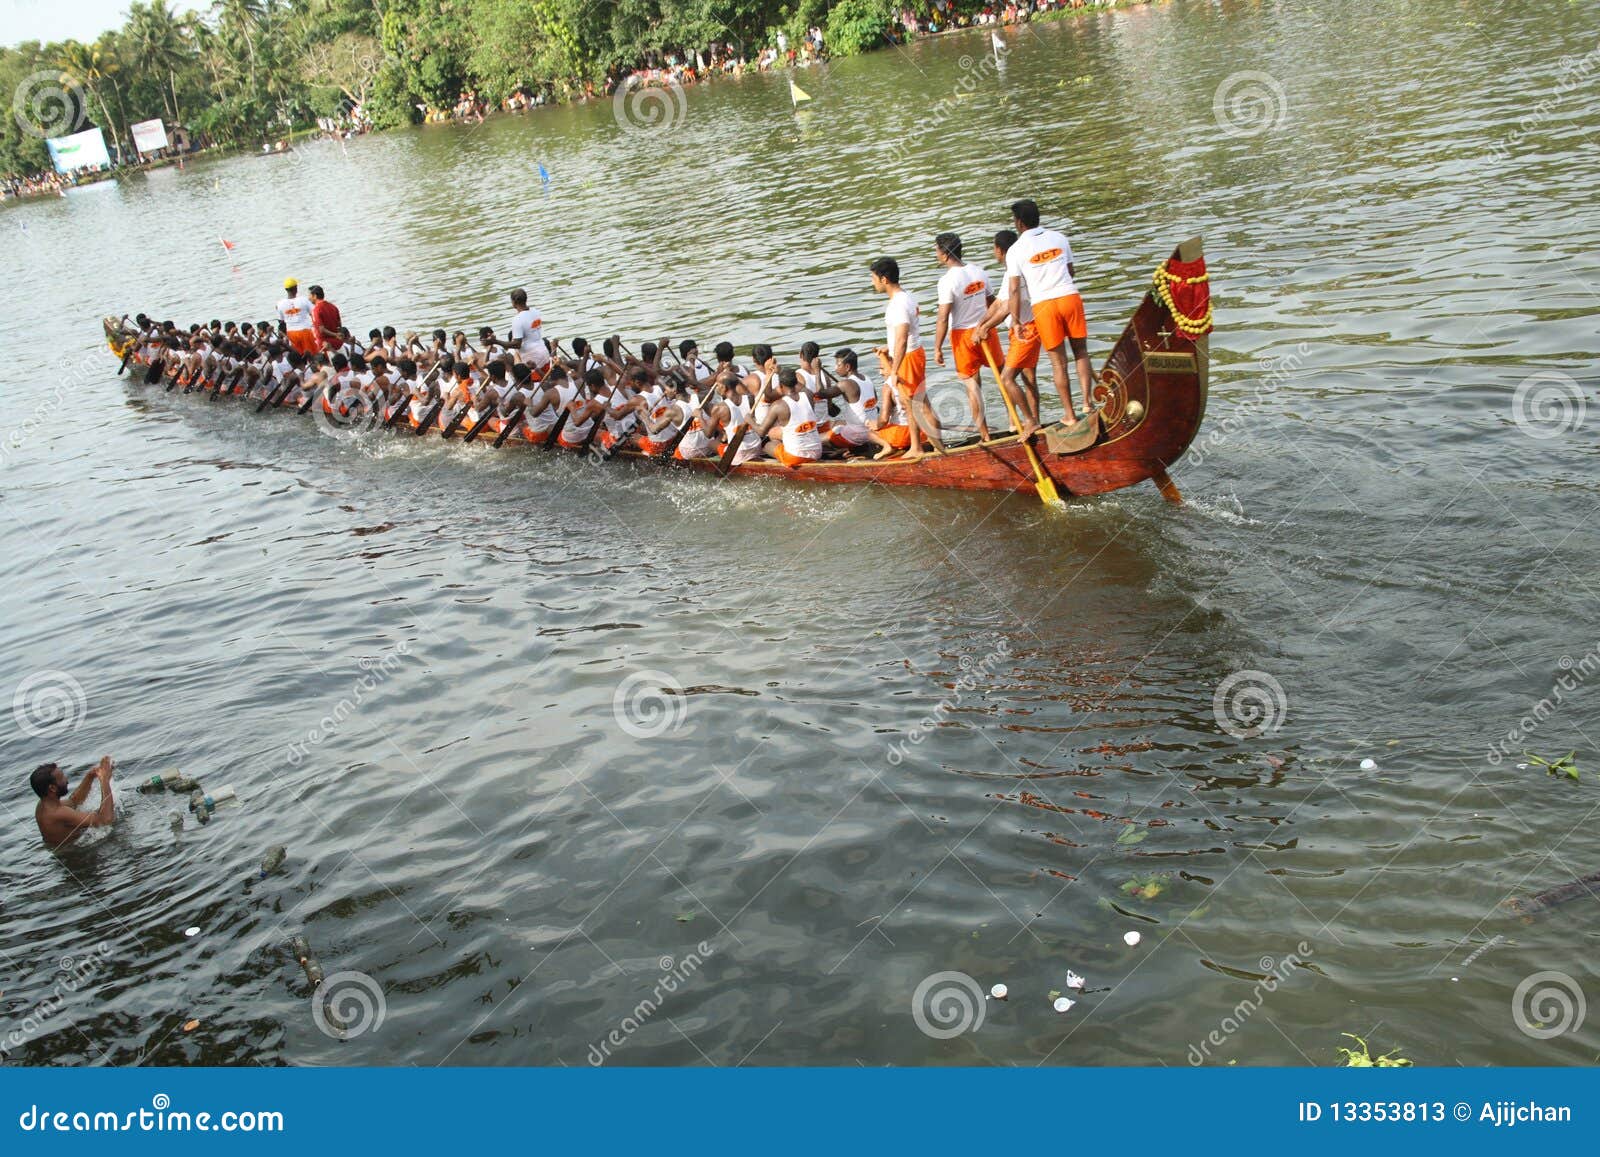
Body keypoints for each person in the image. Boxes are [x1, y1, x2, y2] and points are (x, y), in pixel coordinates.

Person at [1003, 199, 1091, 421]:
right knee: (1081, 351)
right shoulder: (1060, 238)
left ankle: (1069, 415)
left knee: (1058, 362)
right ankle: (1087, 403)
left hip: (1044, 305)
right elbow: (1071, 271)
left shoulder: (1015, 250)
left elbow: (1014, 290)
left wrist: (1015, 321)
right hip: (1070, 296)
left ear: (1019, 223)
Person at [869, 256, 945, 461]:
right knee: (913, 402)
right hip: (913, 352)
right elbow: (902, 336)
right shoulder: (906, 297)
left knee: (918, 404)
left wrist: (893, 371)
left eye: (873, 278)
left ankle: (929, 448)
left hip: (908, 357)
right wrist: (889, 347)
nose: (872, 282)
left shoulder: (898, 305)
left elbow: (902, 338)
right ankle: (921, 445)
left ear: (884, 279)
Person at [932, 232, 1002, 441]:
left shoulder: (946, 281)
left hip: (963, 335)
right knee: (1004, 378)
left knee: (973, 387)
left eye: (936, 250)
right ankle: (1017, 421)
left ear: (944, 254)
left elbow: (943, 318)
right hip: (986, 331)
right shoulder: (979, 271)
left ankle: (985, 436)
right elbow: (993, 303)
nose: (936, 255)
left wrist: (937, 347)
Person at [973, 228, 1042, 437]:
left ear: (999, 250)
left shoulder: (1016, 273)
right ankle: (1035, 422)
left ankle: (1030, 422)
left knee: (1007, 379)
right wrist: (981, 323)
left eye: (994, 249)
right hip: (1022, 330)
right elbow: (998, 304)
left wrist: (985, 328)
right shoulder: (1009, 274)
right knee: (1029, 378)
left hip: (1026, 330)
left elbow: (1004, 310)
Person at [32, 757, 116, 848]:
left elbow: (74, 802)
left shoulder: (43, 804)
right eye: (62, 778)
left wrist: (90, 776)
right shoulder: (58, 813)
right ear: (52, 788)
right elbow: (104, 820)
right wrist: (105, 780)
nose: (67, 781)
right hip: (77, 854)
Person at [507, 289, 551, 370]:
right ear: (526, 299)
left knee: (535, 382)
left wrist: (495, 342)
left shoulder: (517, 319)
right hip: (544, 352)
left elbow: (517, 344)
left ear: (514, 302)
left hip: (532, 359)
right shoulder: (535, 311)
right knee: (546, 378)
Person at [277, 278, 317, 355]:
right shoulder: (304, 300)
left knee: (300, 355)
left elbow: (281, 321)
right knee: (312, 354)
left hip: (291, 333)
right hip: (305, 331)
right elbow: (314, 313)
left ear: (286, 289)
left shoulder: (280, 304)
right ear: (296, 288)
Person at [309, 285, 343, 353]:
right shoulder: (333, 307)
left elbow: (321, 329)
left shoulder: (316, 310)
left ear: (315, 296)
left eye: (309, 295)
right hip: (339, 343)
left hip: (325, 345)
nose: (308, 298)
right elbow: (339, 326)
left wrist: (335, 335)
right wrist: (337, 335)